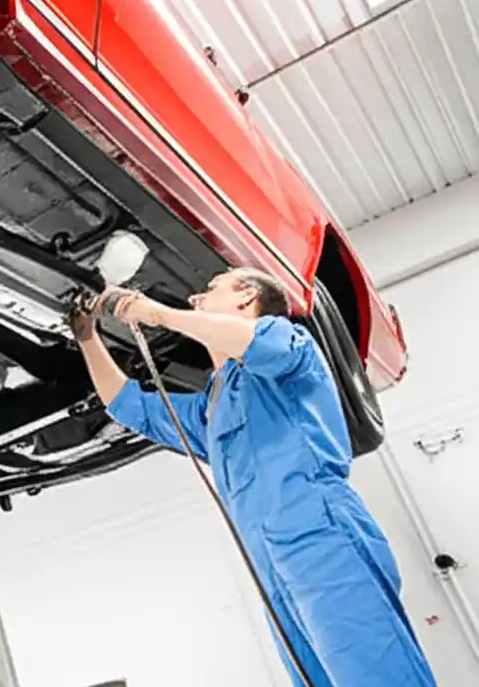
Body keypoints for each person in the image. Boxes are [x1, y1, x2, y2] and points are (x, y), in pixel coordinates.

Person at [70, 267, 436, 686]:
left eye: (210, 289)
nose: (194, 299)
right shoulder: (214, 404)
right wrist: (86, 337)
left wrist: (157, 313)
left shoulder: (287, 340)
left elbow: (252, 342)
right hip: (267, 565)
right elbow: (132, 407)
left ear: (247, 298)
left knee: (372, 670)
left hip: (320, 537)